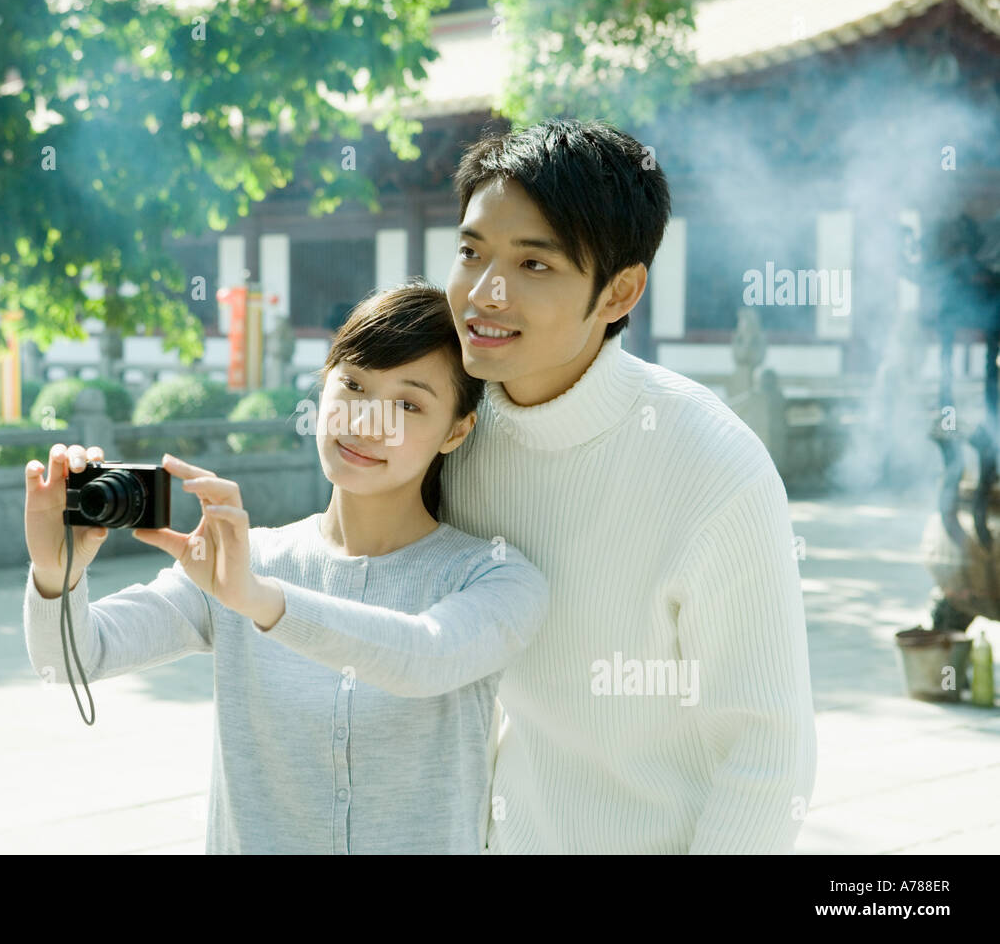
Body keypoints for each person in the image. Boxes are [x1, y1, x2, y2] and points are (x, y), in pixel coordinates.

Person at [251, 118, 818, 853]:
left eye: (535, 265)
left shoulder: (712, 467)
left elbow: (771, 752)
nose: (485, 293)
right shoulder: (454, 424)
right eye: (470, 252)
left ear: (620, 292)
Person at [22, 281, 550, 854]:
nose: (368, 421)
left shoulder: (495, 577)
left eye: (408, 403)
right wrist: (57, 574)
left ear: (456, 429)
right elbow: (71, 661)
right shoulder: (244, 563)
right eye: (352, 384)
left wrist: (259, 599)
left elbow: (424, 655)